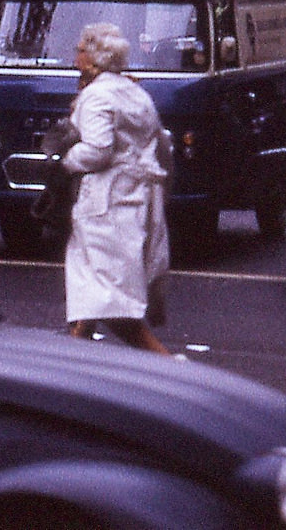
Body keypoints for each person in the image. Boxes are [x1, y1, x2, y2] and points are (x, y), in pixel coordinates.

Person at [61, 21, 172, 355]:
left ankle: (171, 369)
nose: (76, 56)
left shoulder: (97, 96)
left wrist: (64, 159)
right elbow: (159, 145)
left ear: (94, 57)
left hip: (106, 204)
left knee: (111, 302)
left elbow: (98, 150)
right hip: (136, 199)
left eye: (81, 50)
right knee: (91, 290)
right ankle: (74, 362)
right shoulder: (135, 92)